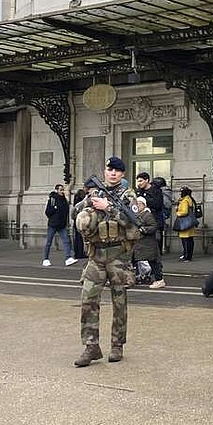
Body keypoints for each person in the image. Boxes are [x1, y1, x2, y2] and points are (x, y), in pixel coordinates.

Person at [72, 156, 141, 366]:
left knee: (119, 303)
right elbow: (76, 212)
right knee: (88, 300)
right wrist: (89, 206)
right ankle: (91, 346)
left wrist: (108, 207)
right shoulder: (95, 192)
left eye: (117, 171)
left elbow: (132, 222)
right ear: (104, 171)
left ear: (122, 174)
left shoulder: (129, 195)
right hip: (96, 255)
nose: (112, 173)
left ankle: (117, 345)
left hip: (118, 255)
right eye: (109, 169)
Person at [41, 184, 77, 267]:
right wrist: (55, 210)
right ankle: (45, 259)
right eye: (60, 190)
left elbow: (66, 212)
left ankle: (68, 258)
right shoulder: (52, 199)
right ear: (56, 190)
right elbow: (48, 212)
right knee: (49, 242)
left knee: (66, 241)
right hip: (53, 224)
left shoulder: (64, 199)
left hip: (61, 224)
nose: (62, 191)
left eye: (62, 190)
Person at [133, 196, 165, 289]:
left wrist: (143, 230)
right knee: (133, 261)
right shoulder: (137, 215)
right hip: (140, 243)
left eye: (139, 204)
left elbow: (153, 226)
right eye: (136, 204)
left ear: (144, 205)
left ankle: (159, 280)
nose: (137, 206)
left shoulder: (147, 215)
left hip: (148, 243)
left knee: (153, 262)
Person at [176, 186, 196, 262]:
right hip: (190, 223)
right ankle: (187, 255)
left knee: (185, 240)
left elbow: (184, 212)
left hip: (184, 222)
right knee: (190, 240)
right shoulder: (190, 199)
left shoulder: (184, 201)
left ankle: (187, 256)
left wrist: (178, 212)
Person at [72, 185, 90, 259]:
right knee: (79, 238)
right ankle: (79, 253)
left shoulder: (78, 196)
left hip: (77, 219)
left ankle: (78, 253)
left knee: (78, 237)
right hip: (80, 219)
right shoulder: (82, 197)